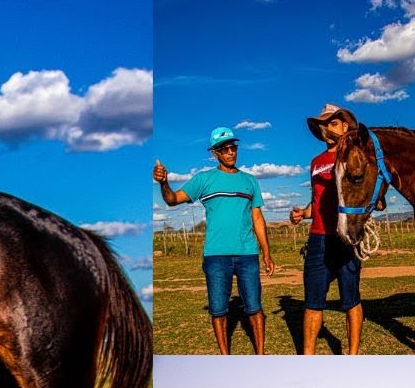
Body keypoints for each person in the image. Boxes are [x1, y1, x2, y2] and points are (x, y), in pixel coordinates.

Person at [155, 127, 276, 354]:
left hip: (247, 254)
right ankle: (224, 356)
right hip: (216, 255)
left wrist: (266, 253)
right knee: (219, 311)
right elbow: (172, 200)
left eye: (233, 147)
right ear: (215, 154)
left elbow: (258, 218)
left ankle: (261, 355)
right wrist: (164, 183)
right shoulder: (203, 180)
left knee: (254, 308)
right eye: (224, 149)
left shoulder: (250, 181)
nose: (231, 152)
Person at [289, 104, 367, 355]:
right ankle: (308, 356)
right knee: (312, 302)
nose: (326, 128)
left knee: (350, 299)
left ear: (345, 126)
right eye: (323, 124)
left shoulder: (354, 156)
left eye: (332, 123)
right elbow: (317, 201)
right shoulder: (315, 162)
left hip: (345, 237)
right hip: (318, 238)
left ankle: (352, 355)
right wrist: (304, 212)